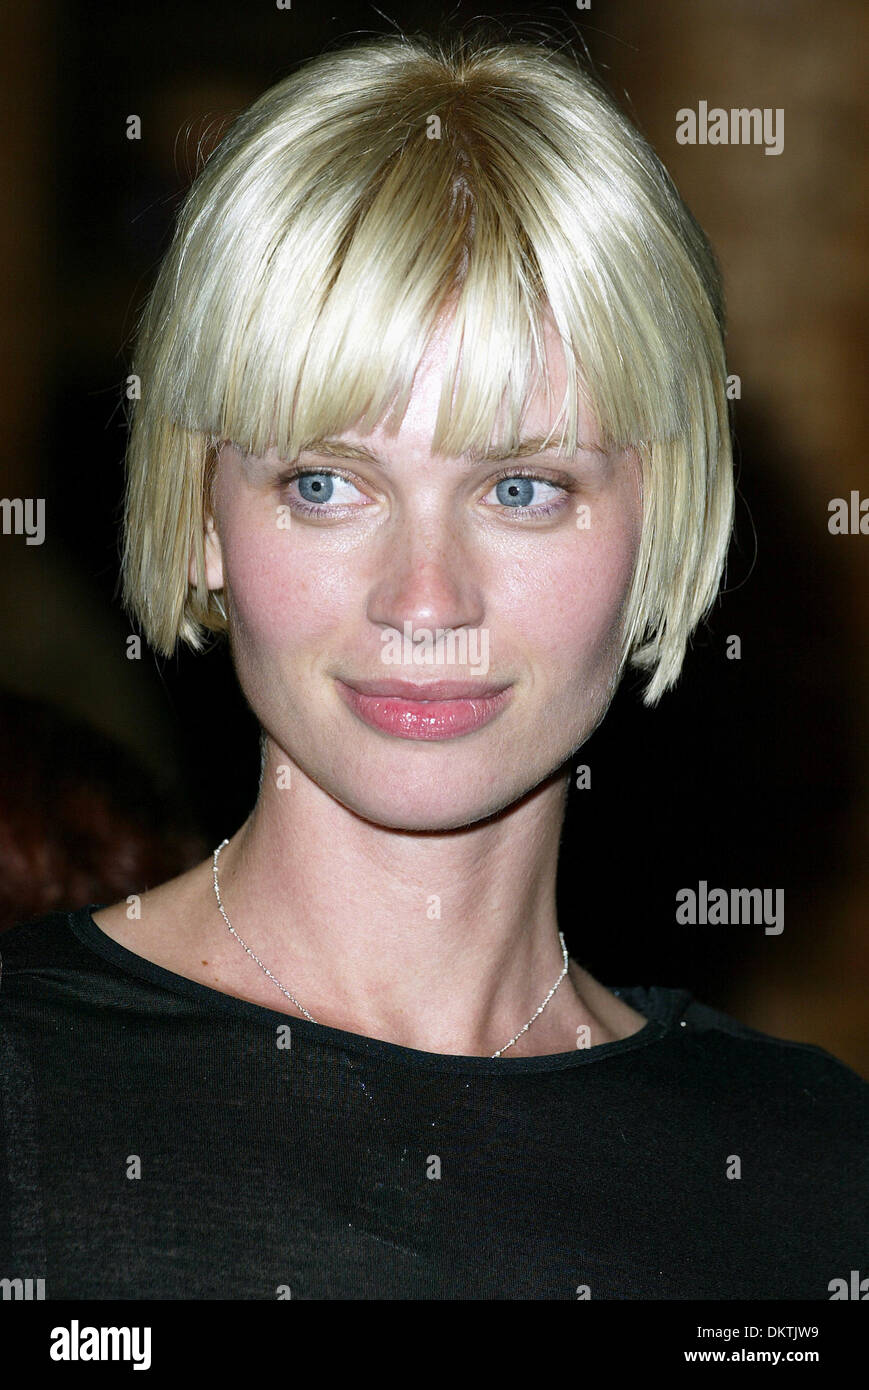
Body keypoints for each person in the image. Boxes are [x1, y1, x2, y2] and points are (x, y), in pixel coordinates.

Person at [1, 26, 865, 1301]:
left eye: (520, 486)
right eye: (324, 483)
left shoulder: (813, 1178)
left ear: (660, 520)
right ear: (199, 515)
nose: (423, 597)